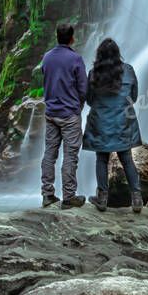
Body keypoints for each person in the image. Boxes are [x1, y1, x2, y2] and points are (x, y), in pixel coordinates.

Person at [83, 38, 144, 213]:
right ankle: (137, 198)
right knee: (127, 159)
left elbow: (89, 99)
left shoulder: (93, 73)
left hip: (101, 121)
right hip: (123, 121)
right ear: (118, 54)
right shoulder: (129, 70)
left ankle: (102, 198)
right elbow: (134, 96)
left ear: (99, 56)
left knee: (102, 159)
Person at [40, 23, 87, 209]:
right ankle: (68, 196)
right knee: (70, 155)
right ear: (72, 38)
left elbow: (46, 79)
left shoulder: (47, 57)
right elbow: (83, 88)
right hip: (69, 115)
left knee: (49, 153)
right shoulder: (75, 59)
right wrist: (78, 106)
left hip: (51, 113)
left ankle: (47, 194)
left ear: (57, 37)